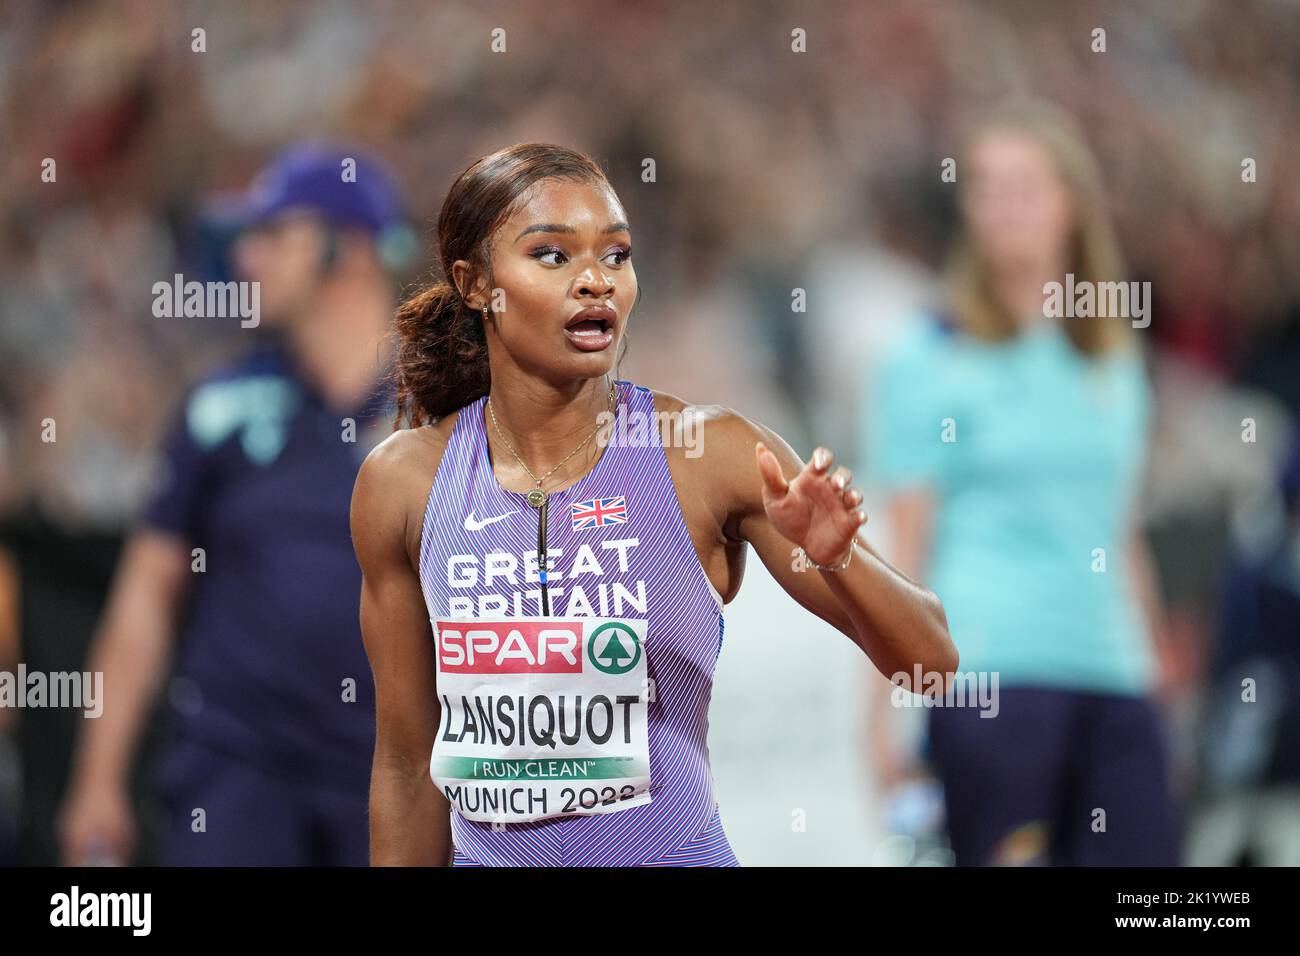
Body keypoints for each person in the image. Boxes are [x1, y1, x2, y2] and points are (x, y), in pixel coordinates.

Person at [351, 142, 957, 867]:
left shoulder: (709, 453)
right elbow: (407, 767)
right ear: (476, 284)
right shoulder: (405, 483)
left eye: (616, 255)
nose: (595, 282)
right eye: (552, 256)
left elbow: (932, 665)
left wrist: (839, 556)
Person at [59, 143, 410, 866]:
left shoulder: (450, 413)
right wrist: (96, 782)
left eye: (275, 236)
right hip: (236, 775)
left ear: (347, 250)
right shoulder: (219, 408)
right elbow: (144, 597)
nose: (249, 259)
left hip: (394, 778)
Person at [864, 100, 1181, 865]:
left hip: (1113, 675)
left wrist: (1157, 668)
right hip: (990, 677)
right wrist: (883, 712)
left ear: (1073, 203)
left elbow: (1118, 531)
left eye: (1026, 187)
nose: (1005, 208)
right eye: (986, 187)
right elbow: (902, 550)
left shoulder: (1114, 359)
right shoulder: (927, 356)